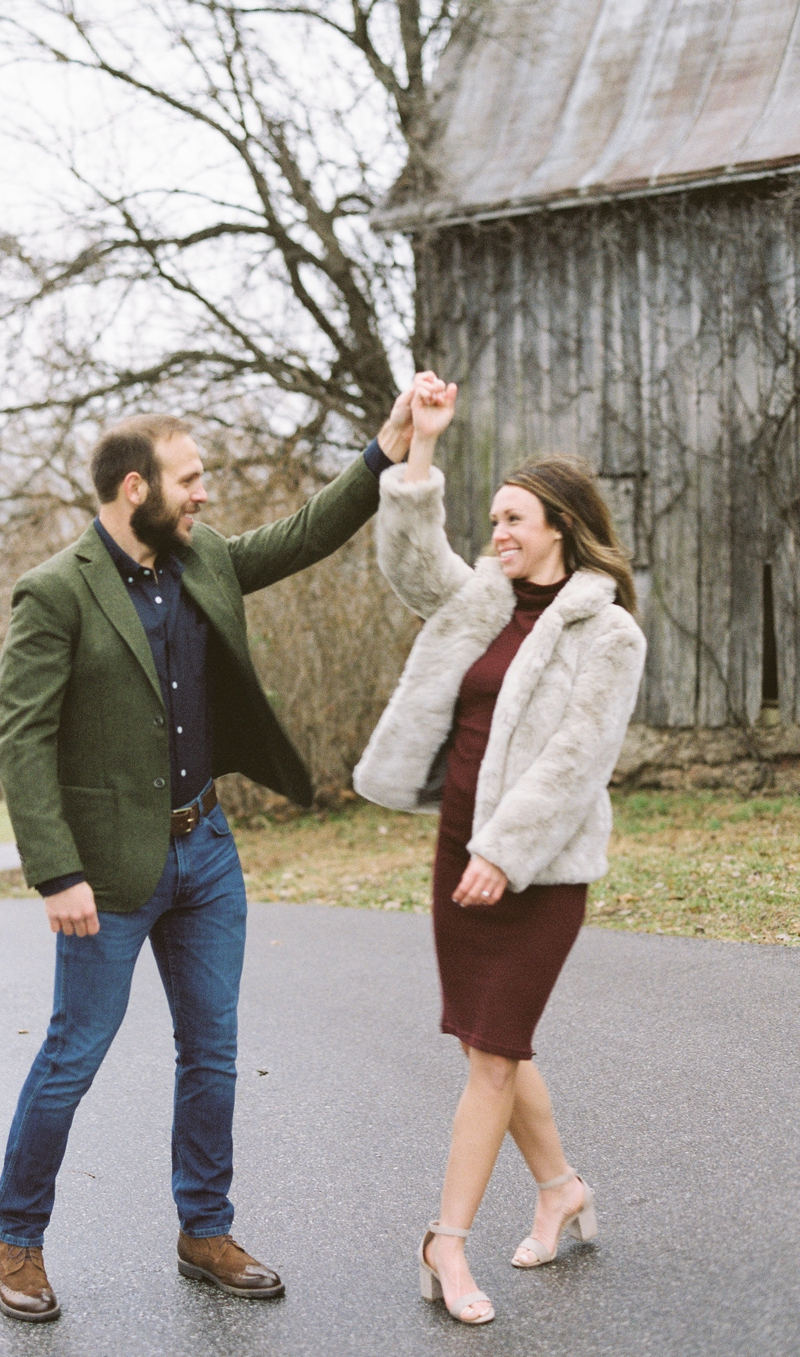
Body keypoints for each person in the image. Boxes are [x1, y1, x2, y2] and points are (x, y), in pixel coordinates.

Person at [0, 393, 439, 1322]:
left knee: (214, 1053)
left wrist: (384, 451)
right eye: (189, 479)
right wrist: (55, 870)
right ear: (133, 486)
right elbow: (22, 741)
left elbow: (307, 533)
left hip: (208, 850)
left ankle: (205, 1228)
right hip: (109, 873)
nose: (204, 494)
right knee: (75, 1053)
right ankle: (17, 1237)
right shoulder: (57, 591)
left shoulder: (202, 561)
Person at [354, 376, 646, 1325]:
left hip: (538, 867)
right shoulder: (483, 597)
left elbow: (576, 758)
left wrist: (509, 852)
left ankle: (446, 1243)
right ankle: (560, 1185)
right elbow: (409, 563)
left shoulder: (609, 632)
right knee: (491, 1043)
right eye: (491, 519)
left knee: (493, 1050)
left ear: (560, 524)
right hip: (457, 850)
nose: (498, 534)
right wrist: (422, 449)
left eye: (514, 518)